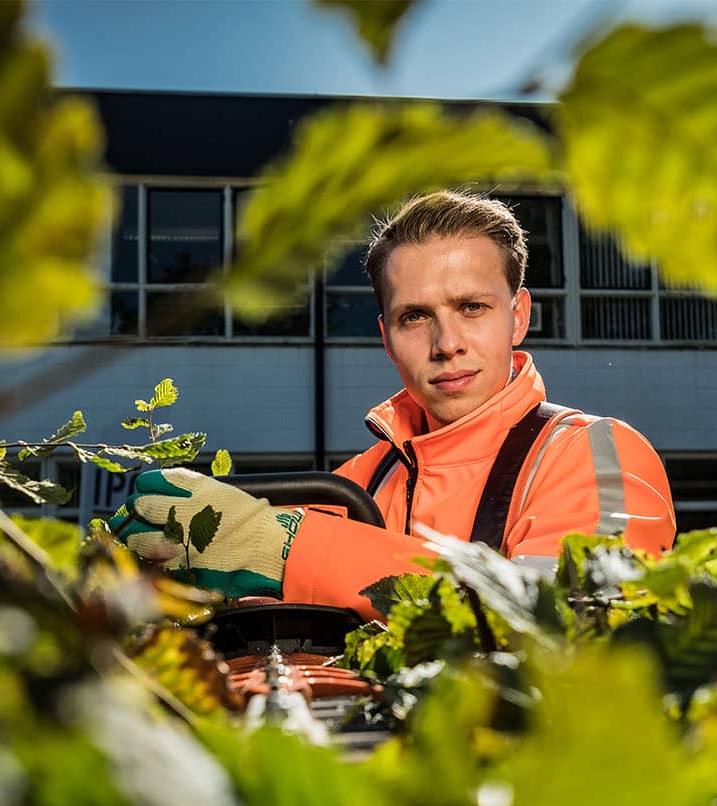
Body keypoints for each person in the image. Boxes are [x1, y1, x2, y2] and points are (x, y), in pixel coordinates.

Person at [109, 190, 675, 620]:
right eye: (415, 316)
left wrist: (284, 549)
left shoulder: (593, 454)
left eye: (472, 308)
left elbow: (562, 621)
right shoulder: (358, 482)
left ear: (519, 316)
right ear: (386, 337)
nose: (446, 343)